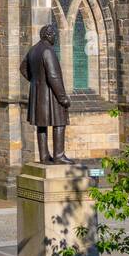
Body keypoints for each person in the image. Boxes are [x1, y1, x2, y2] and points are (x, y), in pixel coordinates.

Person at [20, 23, 73, 163]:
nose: (55, 36)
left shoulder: (33, 50)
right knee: (60, 122)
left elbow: (22, 68)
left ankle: (44, 156)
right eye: (53, 34)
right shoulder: (48, 51)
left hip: (37, 94)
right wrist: (63, 98)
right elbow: (53, 76)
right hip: (50, 95)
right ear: (48, 35)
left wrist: (35, 81)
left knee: (41, 125)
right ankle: (59, 155)